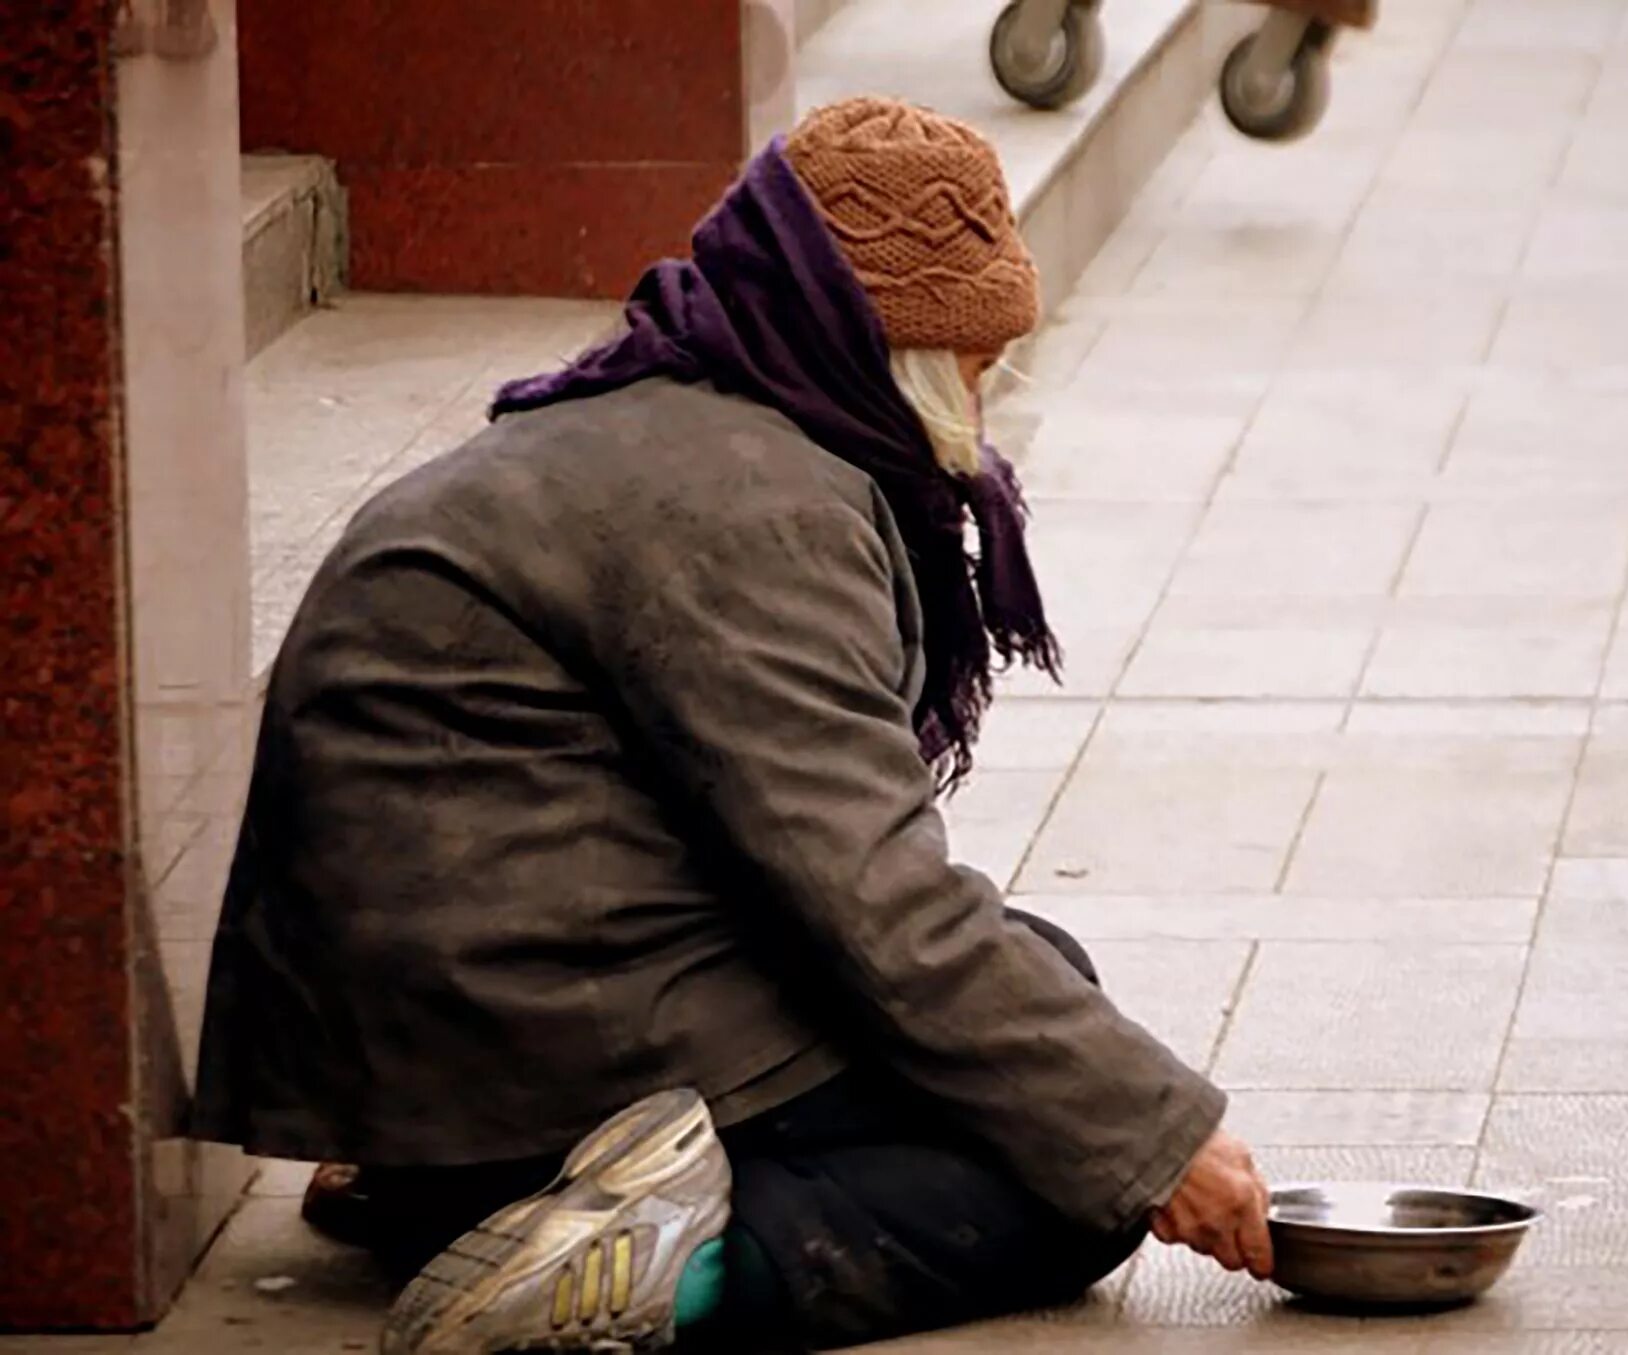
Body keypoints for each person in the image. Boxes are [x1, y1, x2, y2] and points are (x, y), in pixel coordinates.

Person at [190, 97, 1272, 1354]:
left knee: (1042, 989)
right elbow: (874, 904)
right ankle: (640, 1270)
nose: (983, 397)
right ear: (876, 344)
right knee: (1064, 1186)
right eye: (967, 358)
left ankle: (455, 1187)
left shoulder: (677, 418)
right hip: (510, 1029)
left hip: (428, 1027)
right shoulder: (754, 505)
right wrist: (1159, 1139)